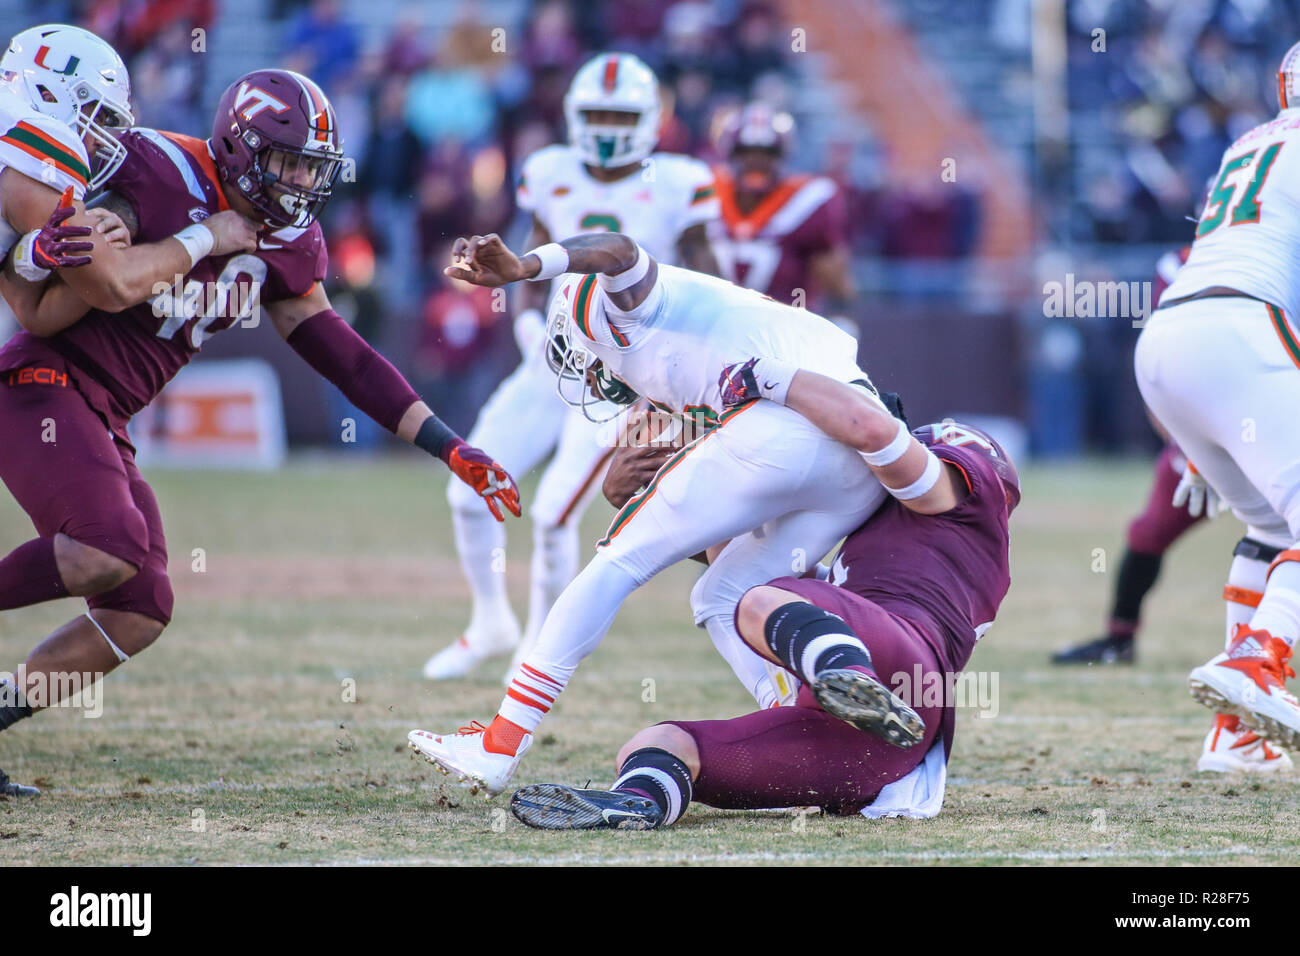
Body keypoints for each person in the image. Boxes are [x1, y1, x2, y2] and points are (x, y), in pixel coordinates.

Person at [0, 67, 519, 797]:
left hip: (104, 413)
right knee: (103, 551)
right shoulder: (152, 169)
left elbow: (345, 357)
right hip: (40, 387)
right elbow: (56, 261)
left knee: (139, 608)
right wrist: (192, 237)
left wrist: (448, 445)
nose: (303, 182)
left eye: (315, 167)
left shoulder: (289, 240)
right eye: (291, 162)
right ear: (241, 148)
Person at [408, 229, 915, 797]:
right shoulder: (712, 351)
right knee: (724, 594)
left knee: (615, 562)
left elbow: (619, 250)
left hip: (791, 422)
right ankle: (804, 721)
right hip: (862, 456)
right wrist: (623, 493)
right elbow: (720, 530)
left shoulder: (609, 306)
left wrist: (527, 267)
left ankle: (501, 742)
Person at [509, 395, 1017, 830]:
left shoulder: (970, 498)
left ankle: (847, 679)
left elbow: (876, 435)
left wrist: (772, 381)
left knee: (759, 601)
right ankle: (639, 802)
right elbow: (738, 565)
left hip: (901, 665)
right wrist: (661, 503)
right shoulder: (915, 547)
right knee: (658, 742)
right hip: (879, 752)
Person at [425, 51, 721, 682]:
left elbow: (708, 280)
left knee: (556, 514)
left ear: (650, 119)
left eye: (621, 114)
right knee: (466, 488)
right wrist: (529, 328)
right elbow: (525, 266)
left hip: (621, 377)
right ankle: (489, 621)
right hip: (549, 359)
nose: (608, 126)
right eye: (596, 114)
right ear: (571, 116)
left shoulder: (680, 179)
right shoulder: (547, 170)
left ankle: (536, 650)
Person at [1135, 40, 1300, 757]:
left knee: (1270, 530)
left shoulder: (1249, 143)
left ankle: (1235, 736)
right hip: (1240, 333)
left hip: (1171, 335)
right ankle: (1257, 661)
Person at [711, 102, 853, 320]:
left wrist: (842, 320)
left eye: (767, 152)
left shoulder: (808, 200)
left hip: (784, 335)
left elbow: (837, 282)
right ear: (731, 154)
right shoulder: (706, 190)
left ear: (782, 155)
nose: (756, 161)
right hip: (711, 331)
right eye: (746, 152)